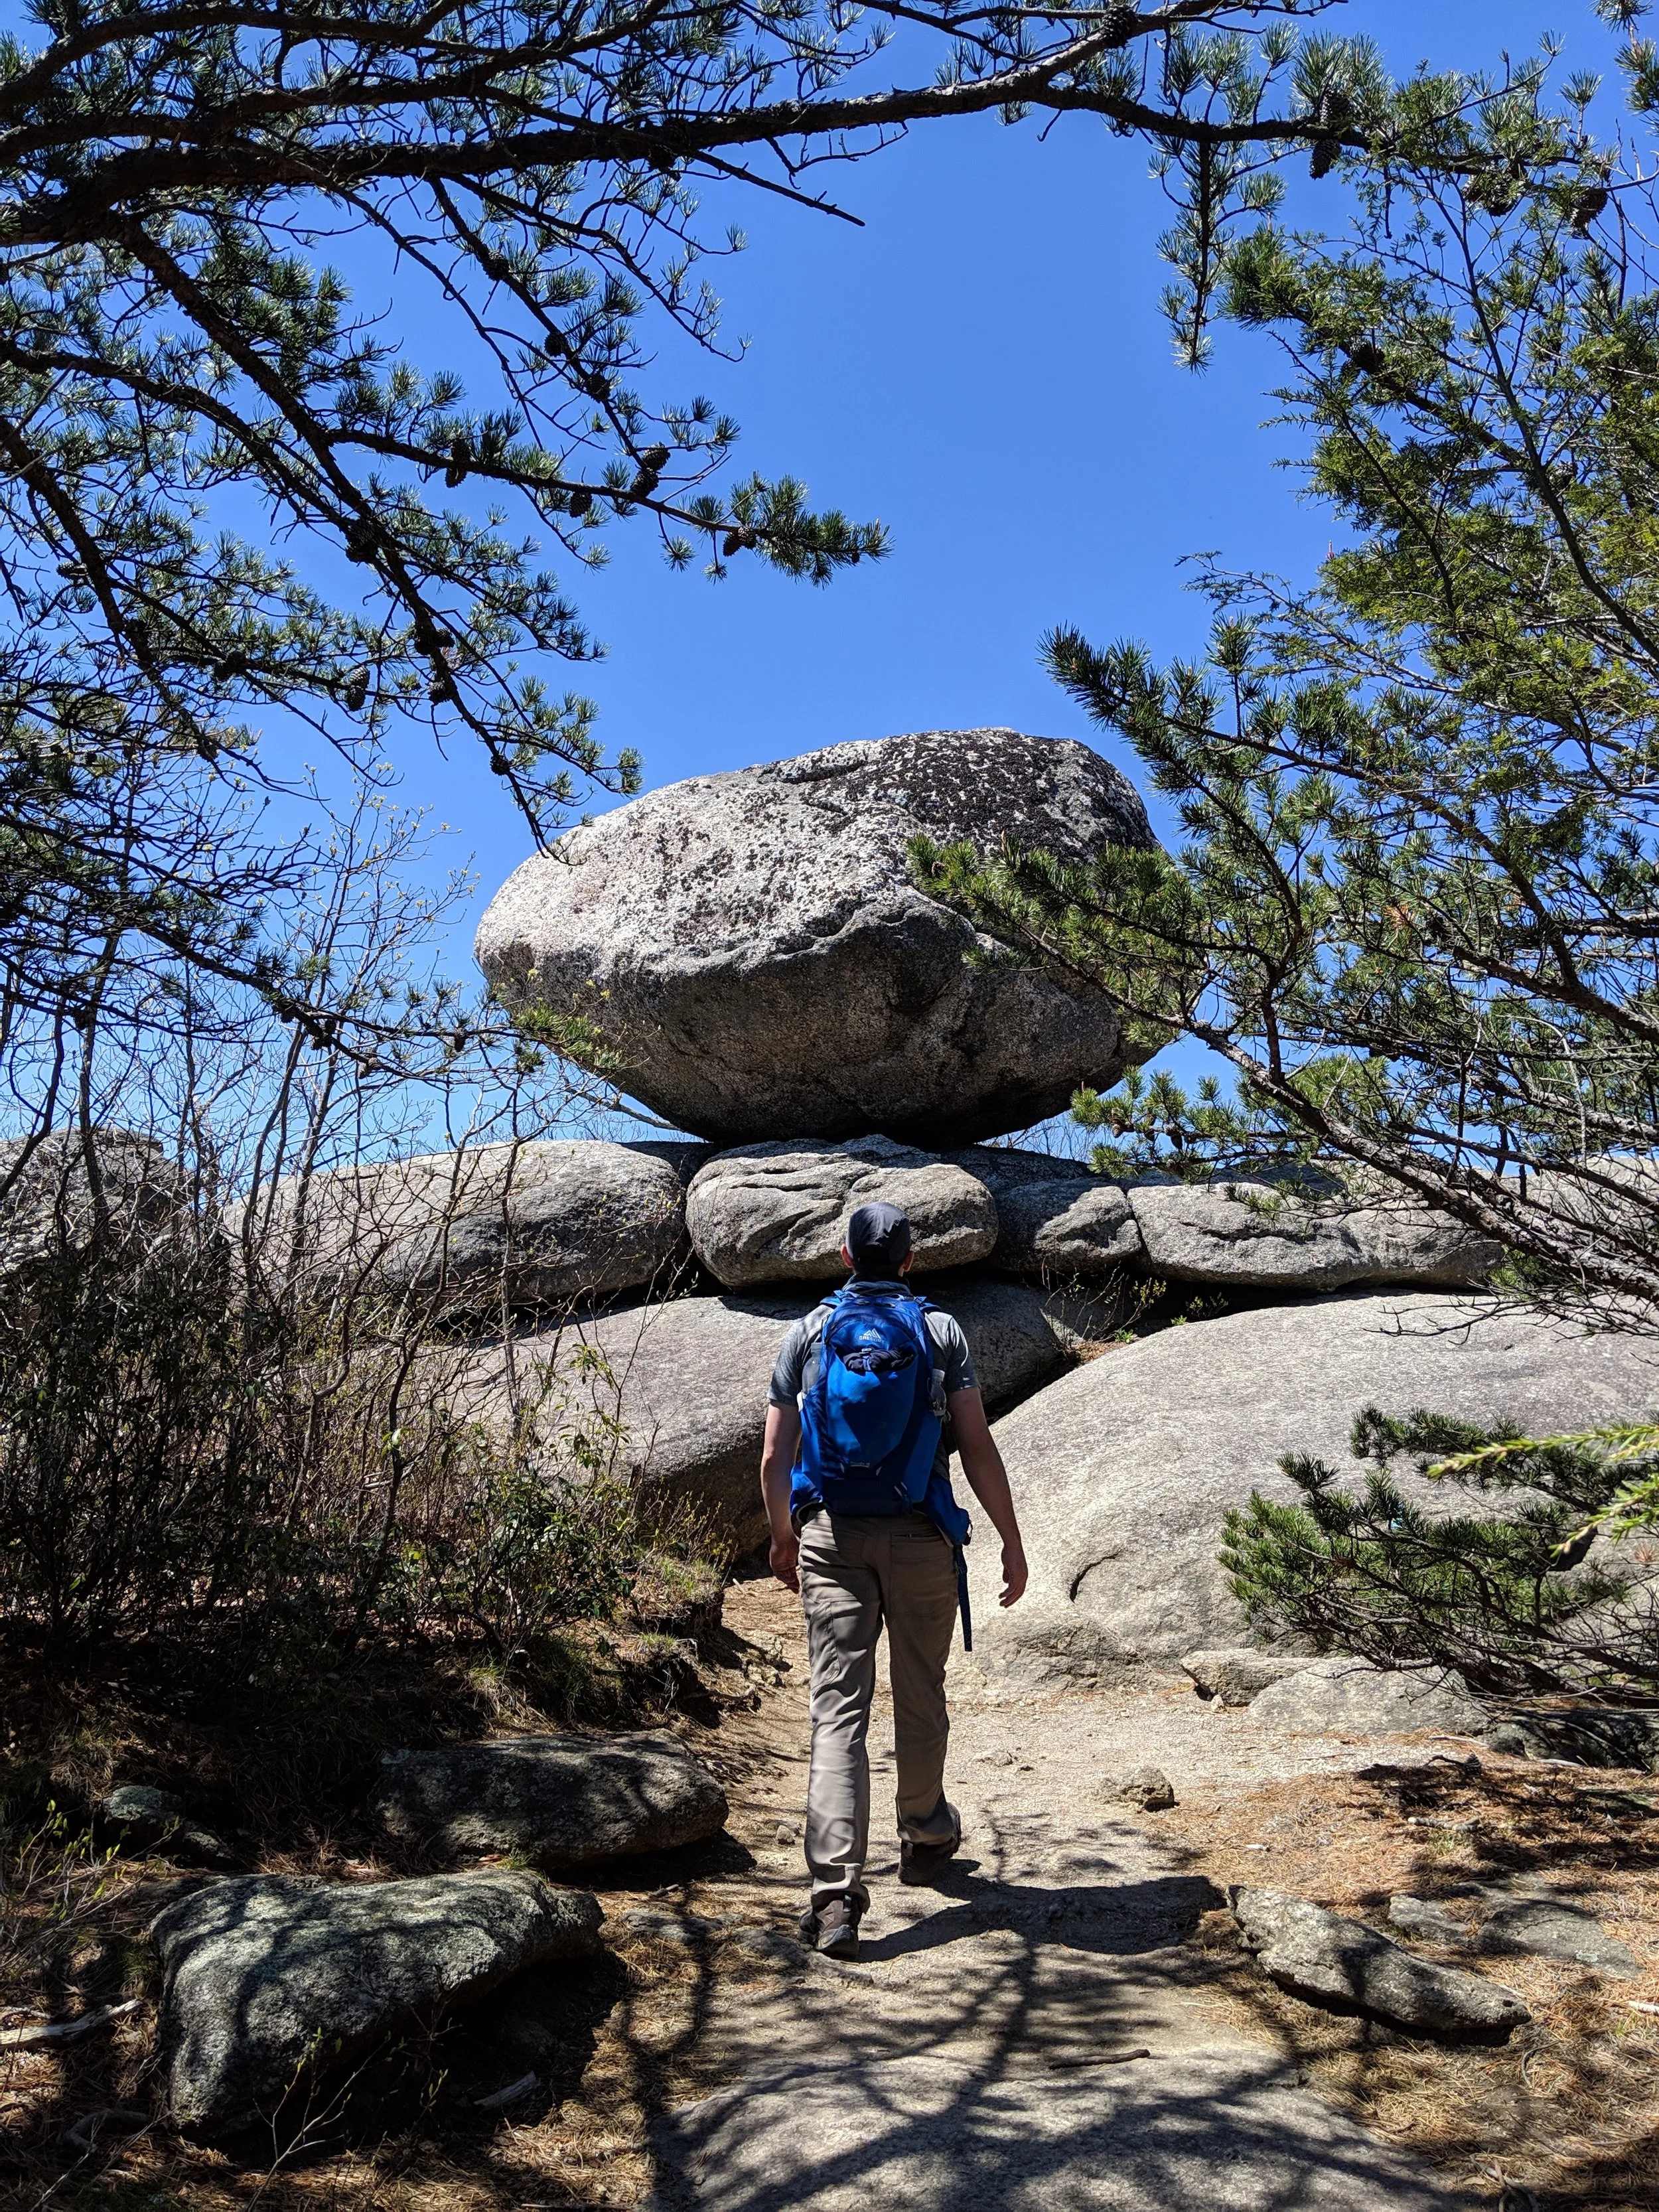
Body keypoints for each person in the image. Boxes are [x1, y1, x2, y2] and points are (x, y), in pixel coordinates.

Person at [759, 1199, 1029, 1960]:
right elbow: (974, 1444)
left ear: (845, 1259)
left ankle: (837, 1894)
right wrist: (1010, 1539)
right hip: (920, 1537)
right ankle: (925, 1832)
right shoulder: (939, 1332)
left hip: (832, 1537)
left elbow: (775, 1458)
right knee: (919, 1691)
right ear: (910, 1261)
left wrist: (784, 1539)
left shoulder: (808, 1333)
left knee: (836, 1712)